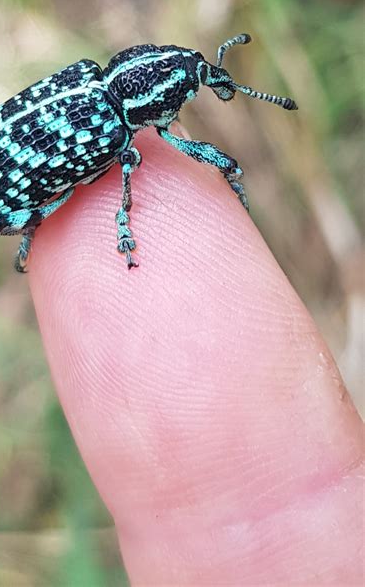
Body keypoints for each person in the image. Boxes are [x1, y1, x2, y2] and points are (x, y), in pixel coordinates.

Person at [28, 129, 363, 586]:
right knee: (96, 174)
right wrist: (122, 225)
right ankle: (62, 225)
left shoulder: (121, 119)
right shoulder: (114, 135)